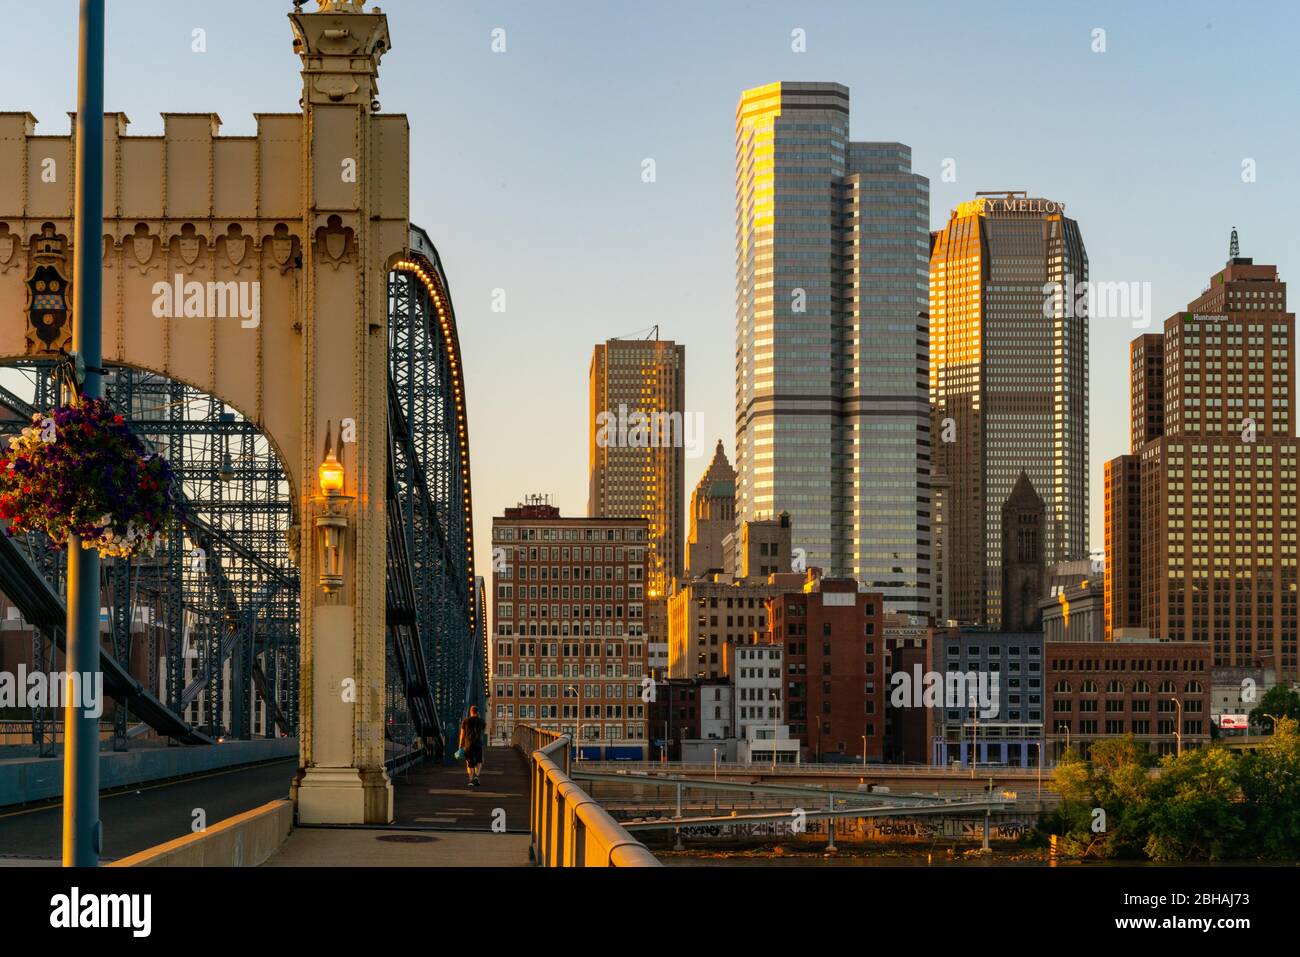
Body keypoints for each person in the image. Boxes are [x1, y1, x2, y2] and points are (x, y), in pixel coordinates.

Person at [458, 705, 486, 787]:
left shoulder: (465, 721)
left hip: (468, 744)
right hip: (478, 744)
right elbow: (482, 732)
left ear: (471, 712)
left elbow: (462, 735)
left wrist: (460, 745)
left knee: (469, 763)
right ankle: (476, 777)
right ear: (477, 712)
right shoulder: (481, 721)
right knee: (479, 761)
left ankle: (470, 781)